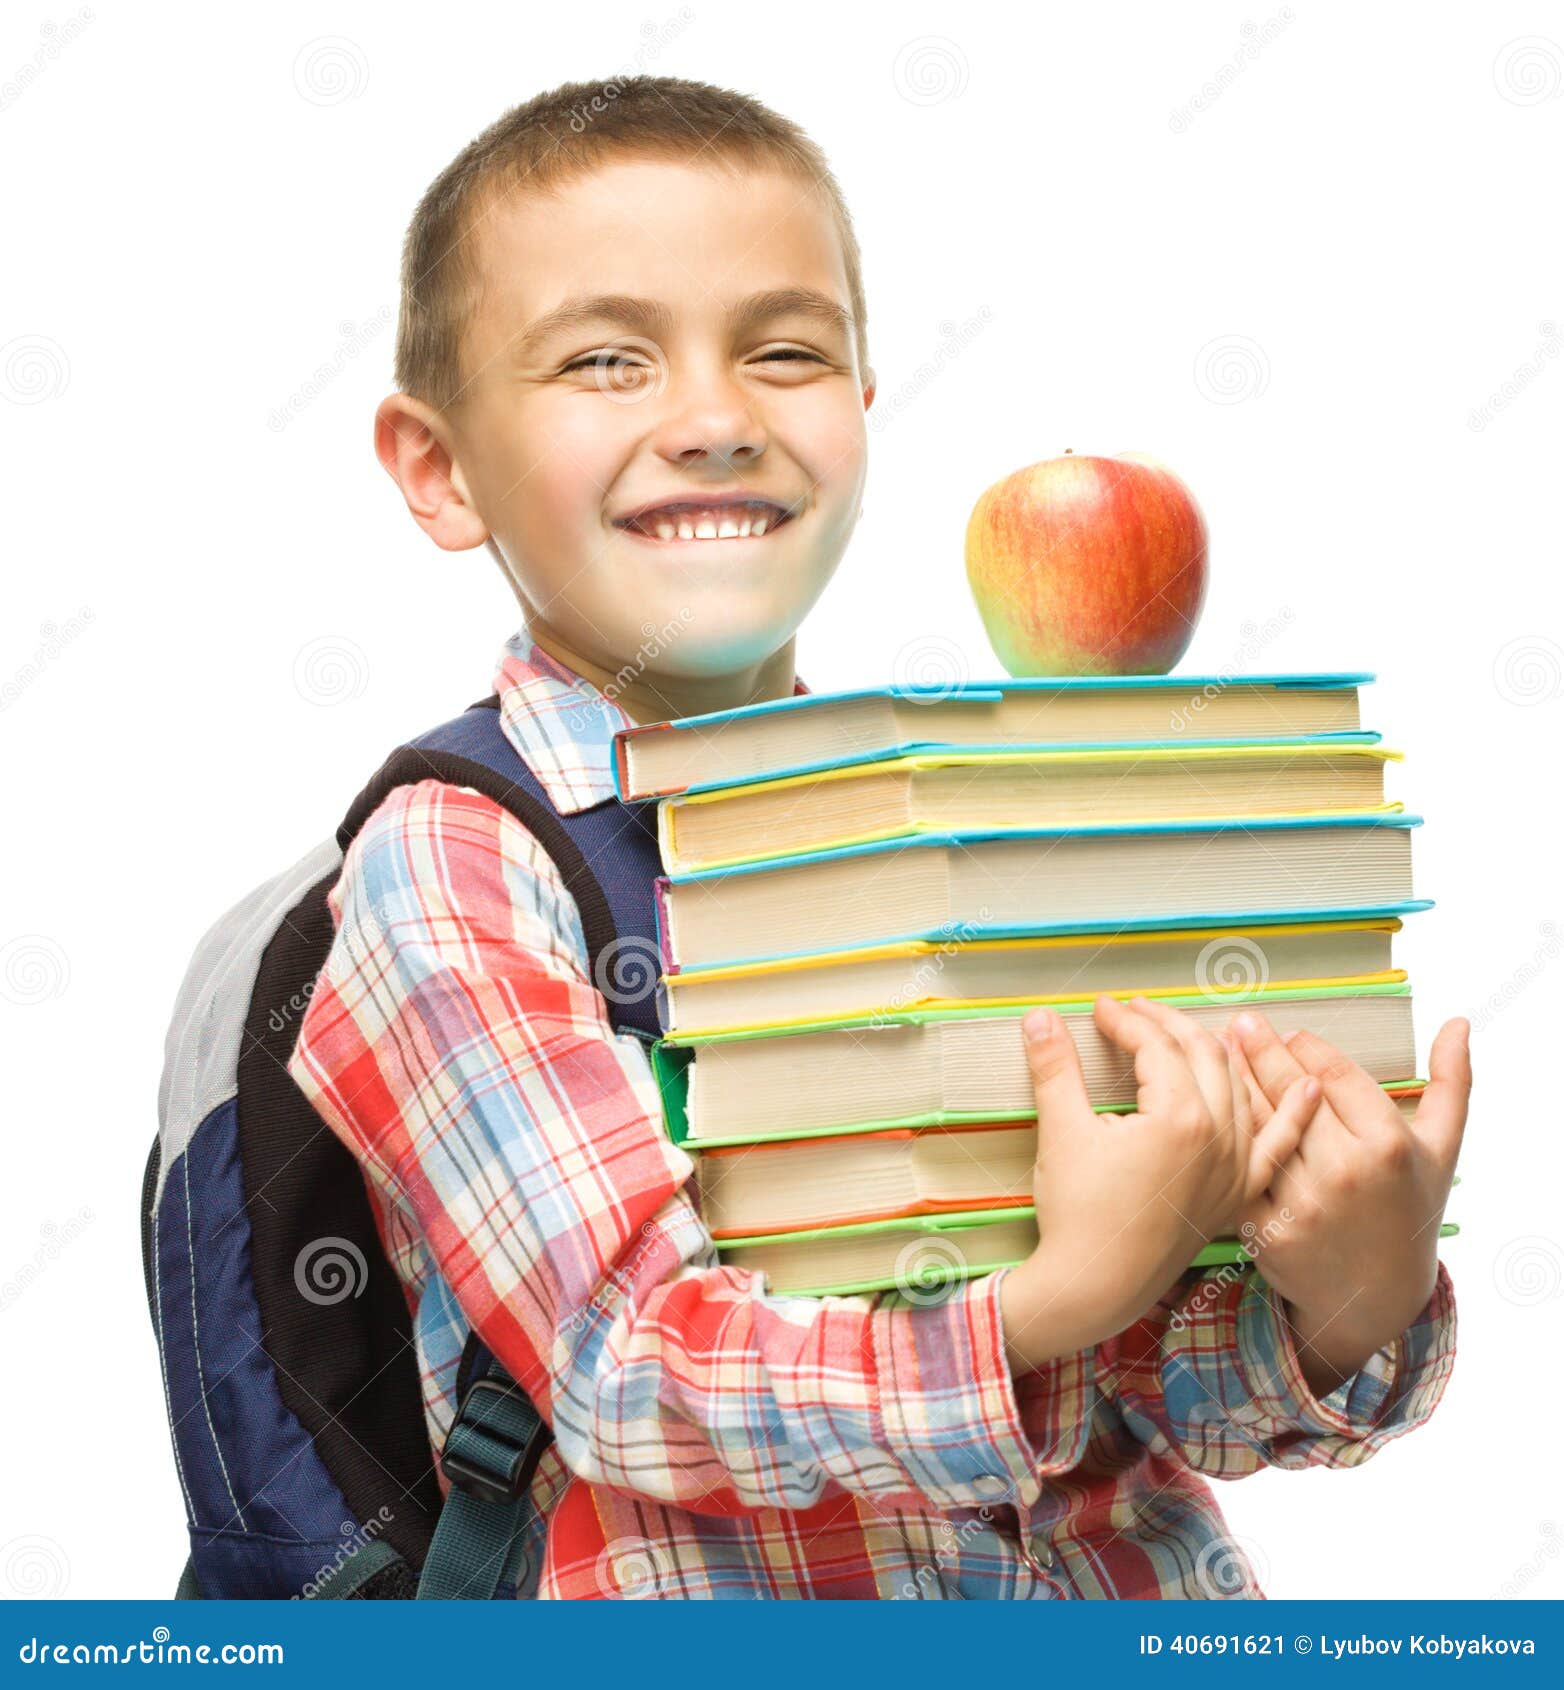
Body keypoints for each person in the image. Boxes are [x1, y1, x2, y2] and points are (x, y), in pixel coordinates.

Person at [286, 74, 1466, 1599]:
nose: (714, 419)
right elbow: (627, 1366)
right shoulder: (457, 863)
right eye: (604, 360)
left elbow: (1145, 1377)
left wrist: (1338, 1294)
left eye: (785, 351)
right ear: (440, 468)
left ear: (859, 403)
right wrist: (1033, 1311)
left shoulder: (954, 819)